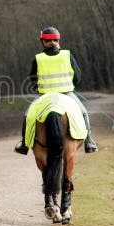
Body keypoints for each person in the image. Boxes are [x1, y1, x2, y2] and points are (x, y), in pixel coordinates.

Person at [14, 26, 98, 154]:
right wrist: (71, 85)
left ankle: (24, 144)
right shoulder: (67, 55)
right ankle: (89, 141)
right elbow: (77, 76)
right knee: (83, 113)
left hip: (44, 96)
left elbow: (32, 78)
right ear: (58, 41)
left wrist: (38, 87)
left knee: (28, 115)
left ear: (43, 42)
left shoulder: (38, 58)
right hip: (67, 94)